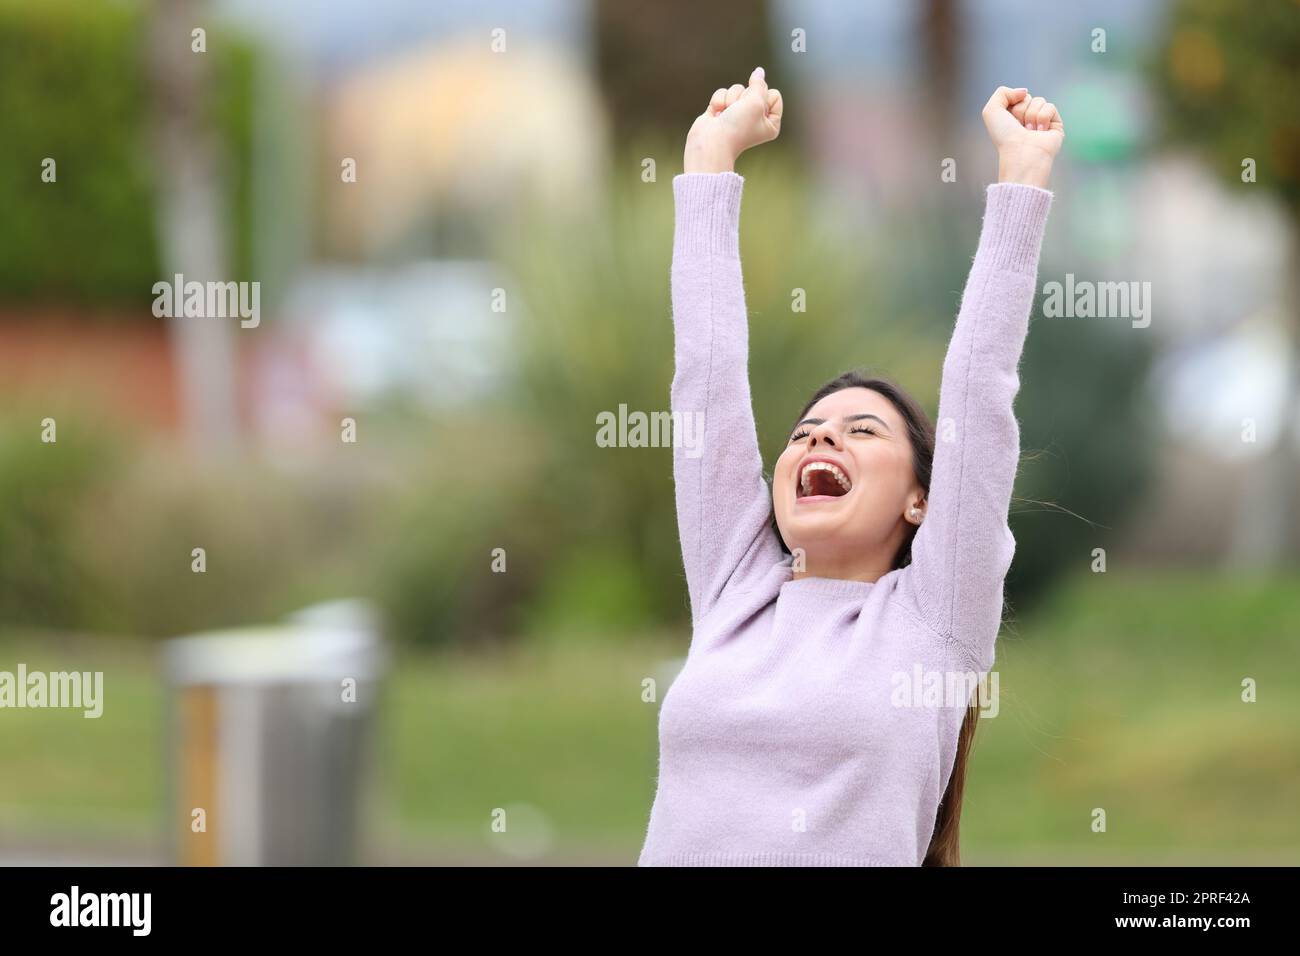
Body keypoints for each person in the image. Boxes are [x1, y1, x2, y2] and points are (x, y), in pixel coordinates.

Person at [639, 68, 1064, 866]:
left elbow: (978, 391)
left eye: (861, 431)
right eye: (804, 433)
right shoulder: (736, 588)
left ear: (919, 502)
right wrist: (708, 159)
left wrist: (1023, 176)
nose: (818, 443)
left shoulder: (935, 619)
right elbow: (707, 371)